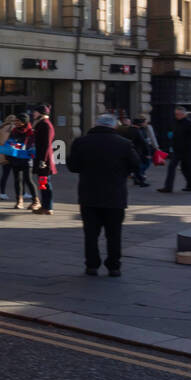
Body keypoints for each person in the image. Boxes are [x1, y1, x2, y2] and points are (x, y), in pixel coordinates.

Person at [67, 112, 141, 277]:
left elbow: (73, 166)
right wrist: (123, 171)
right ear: (114, 126)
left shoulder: (81, 142)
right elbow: (136, 165)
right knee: (114, 234)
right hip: (115, 195)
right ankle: (114, 266)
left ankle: (92, 265)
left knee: (91, 234)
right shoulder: (124, 143)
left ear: (95, 124)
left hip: (89, 195)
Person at [160, 106, 191, 193]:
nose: (178, 115)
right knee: (171, 167)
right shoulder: (175, 123)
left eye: (180, 114)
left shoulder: (189, 123)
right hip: (177, 150)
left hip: (187, 151)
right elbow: (173, 134)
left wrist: (185, 144)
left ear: (184, 114)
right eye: (176, 114)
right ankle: (168, 187)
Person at [29, 104, 57, 215]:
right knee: (43, 183)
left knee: (46, 183)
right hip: (42, 159)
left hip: (44, 161)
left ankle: (48, 207)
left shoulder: (45, 125)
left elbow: (46, 145)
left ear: (41, 113)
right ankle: (45, 206)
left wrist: (43, 161)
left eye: (35, 112)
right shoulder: (41, 124)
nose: (33, 114)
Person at [6, 116, 36, 209]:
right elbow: (9, 144)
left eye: (18, 121)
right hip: (15, 159)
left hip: (27, 160)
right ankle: (19, 200)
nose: (16, 123)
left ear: (25, 122)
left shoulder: (31, 132)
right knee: (17, 180)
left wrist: (17, 146)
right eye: (16, 121)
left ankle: (36, 200)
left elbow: (31, 146)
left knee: (28, 180)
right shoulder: (14, 132)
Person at [116, 113, 150, 187]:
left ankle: (137, 180)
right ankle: (140, 181)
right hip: (136, 151)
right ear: (139, 124)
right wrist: (147, 153)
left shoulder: (127, 130)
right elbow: (143, 142)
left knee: (132, 167)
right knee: (137, 167)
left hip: (126, 150)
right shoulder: (137, 131)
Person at [0, 114, 20, 200]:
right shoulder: (12, 127)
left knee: (5, 174)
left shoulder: (1, 128)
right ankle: (22, 193)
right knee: (18, 175)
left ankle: (2, 193)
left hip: (1, 151)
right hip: (10, 151)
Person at [135, 116, 158, 182]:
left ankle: (139, 174)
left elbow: (152, 137)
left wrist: (156, 146)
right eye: (145, 122)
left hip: (146, 147)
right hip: (144, 148)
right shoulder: (139, 129)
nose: (146, 123)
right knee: (147, 162)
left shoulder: (147, 128)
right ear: (141, 123)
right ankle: (138, 174)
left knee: (145, 162)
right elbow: (152, 137)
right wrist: (156, 147)